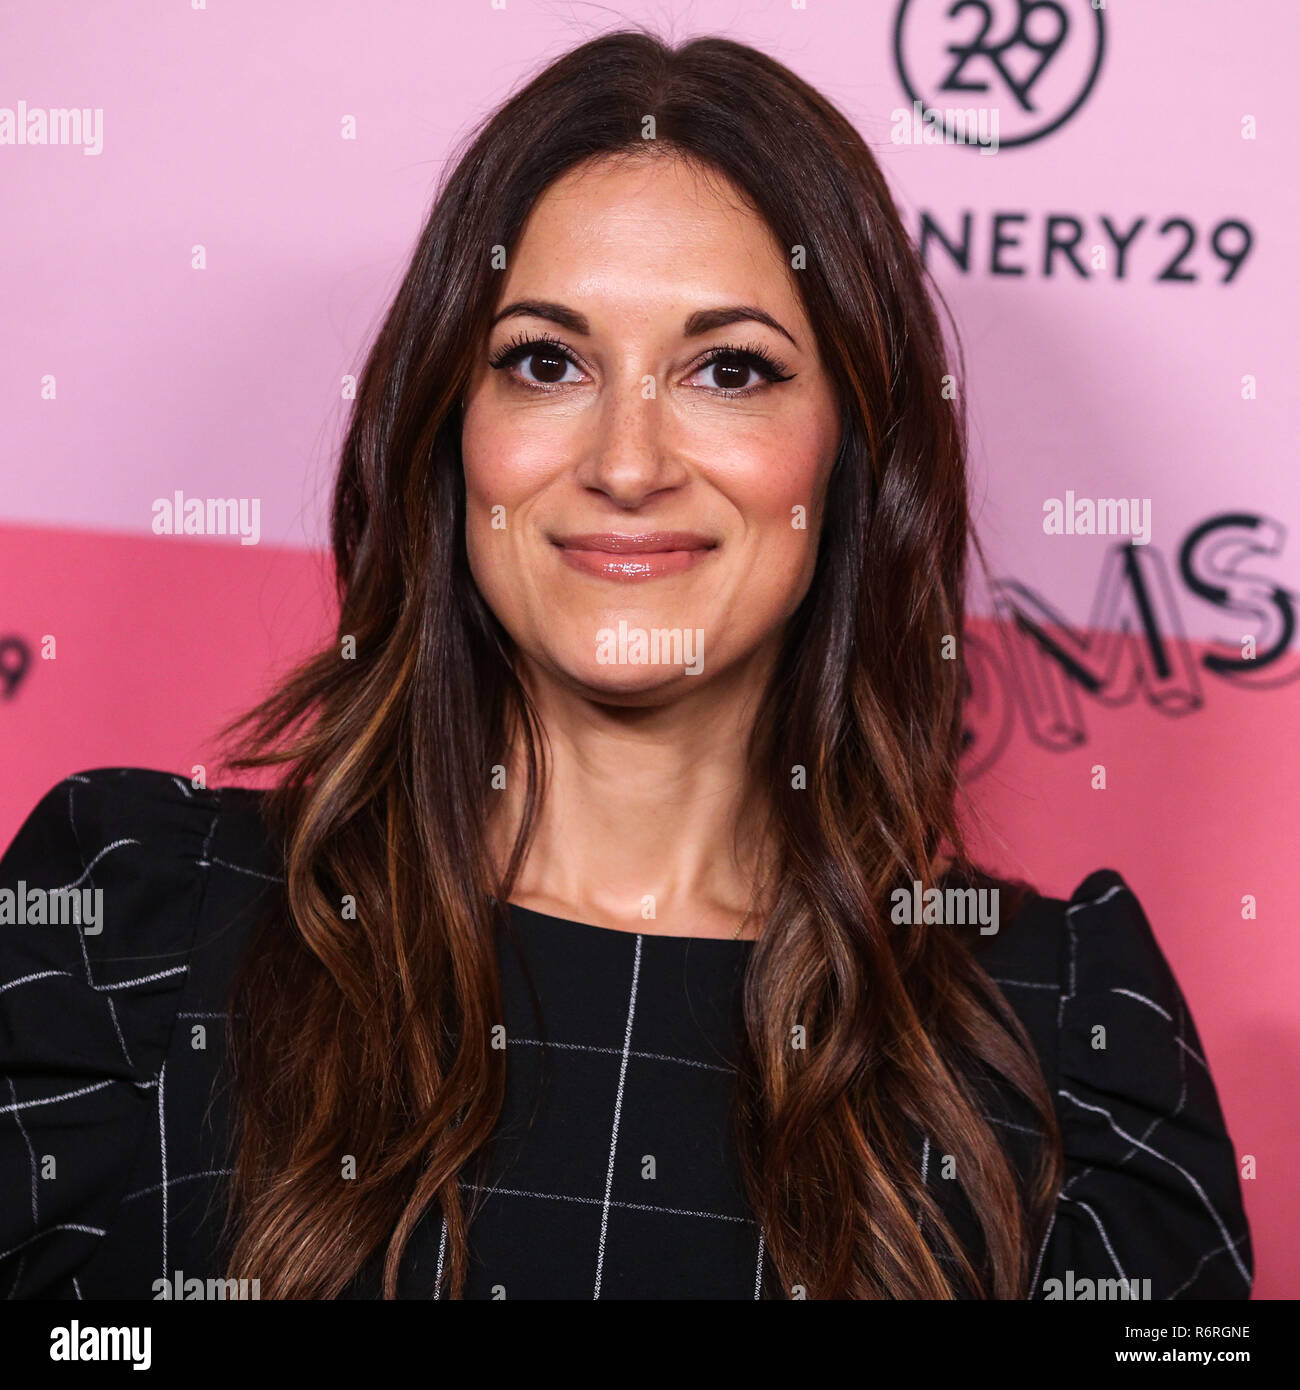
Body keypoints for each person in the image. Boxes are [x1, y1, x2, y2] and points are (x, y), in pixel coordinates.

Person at [0, 30, 1250, 1300]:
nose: (629, 461)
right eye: (547, 362)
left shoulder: (1062, 1035)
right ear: (450, 429)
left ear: (850, 457)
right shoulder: (134, 935)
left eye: (729, 370)